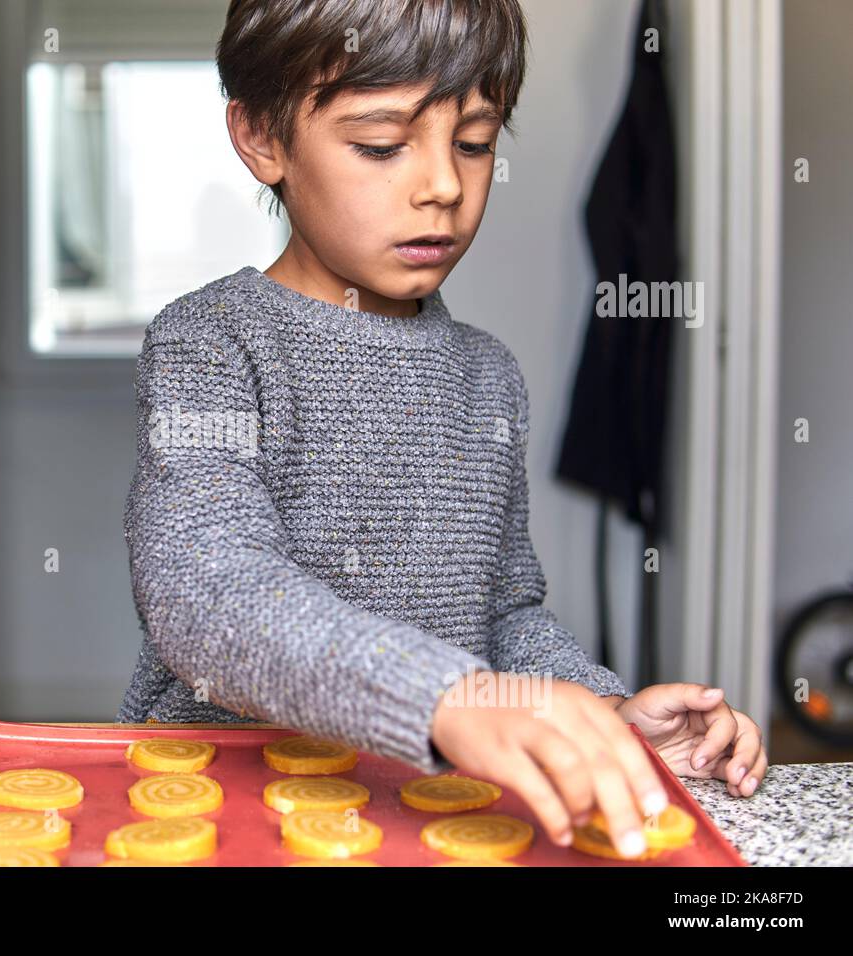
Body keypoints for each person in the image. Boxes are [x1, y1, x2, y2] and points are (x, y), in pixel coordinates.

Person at [116, 0, 767, 860]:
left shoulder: (487, 374)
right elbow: (204, 590)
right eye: (382, 145)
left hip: (421, 814)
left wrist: (602, 710)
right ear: (262, 136)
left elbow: (504, 613)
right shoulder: (210, 342)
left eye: (474, 141)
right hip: (220, 807)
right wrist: (448, 698)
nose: (444, 186)